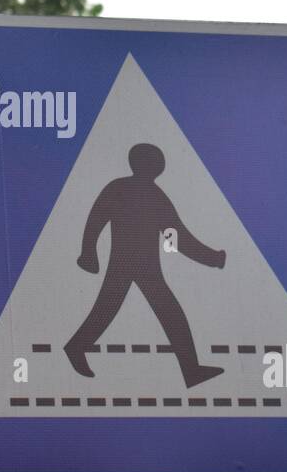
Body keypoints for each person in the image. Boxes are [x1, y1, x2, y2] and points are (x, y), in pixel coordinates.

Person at [64, 143, 227, 388]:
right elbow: (97, 219)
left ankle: (76, 347)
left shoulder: (134, 191)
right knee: (162, 312)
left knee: (114, 310)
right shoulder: (140, 193)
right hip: (133, 265)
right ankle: (191, 370)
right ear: (152, 165)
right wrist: (88, 254)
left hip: (141, 265)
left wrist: (212, 258)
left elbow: (177, 237)